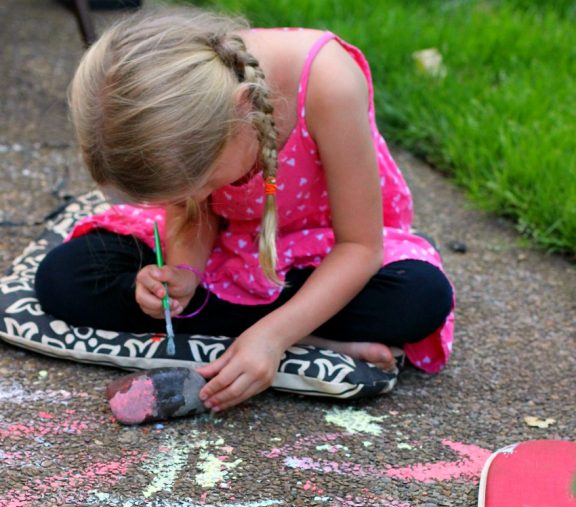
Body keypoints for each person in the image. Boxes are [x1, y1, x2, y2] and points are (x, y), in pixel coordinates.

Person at [35, 7, 455, 412]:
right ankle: (309, 336)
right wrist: (183, 273)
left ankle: (268, 333)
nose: (194, 196)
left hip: (319, 249)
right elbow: (193, 214)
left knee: (420, 298)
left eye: (204, 182)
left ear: (242, 109)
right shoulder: (189, 118)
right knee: (63, 277)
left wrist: (272, 337)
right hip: (229, 247)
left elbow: (361, 247)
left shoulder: (329, 82)